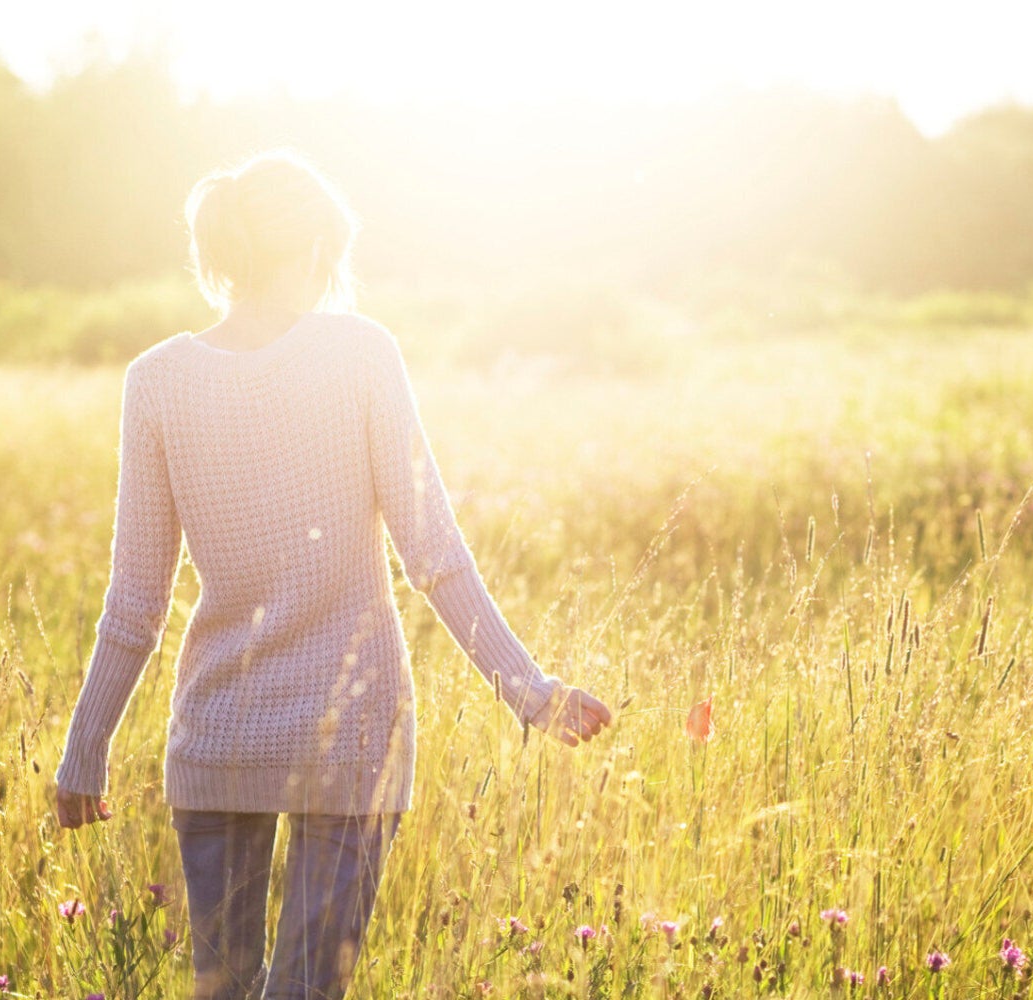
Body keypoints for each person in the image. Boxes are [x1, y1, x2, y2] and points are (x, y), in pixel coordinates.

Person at [52, 148, 613, 1000]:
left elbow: (136, 603)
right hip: (354, 737)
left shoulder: (157, 380)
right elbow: (435, 555)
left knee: (225, 989)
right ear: (317, 249)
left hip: (217, 736)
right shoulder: (360, 354)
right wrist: (529, 692)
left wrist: (85, 748)